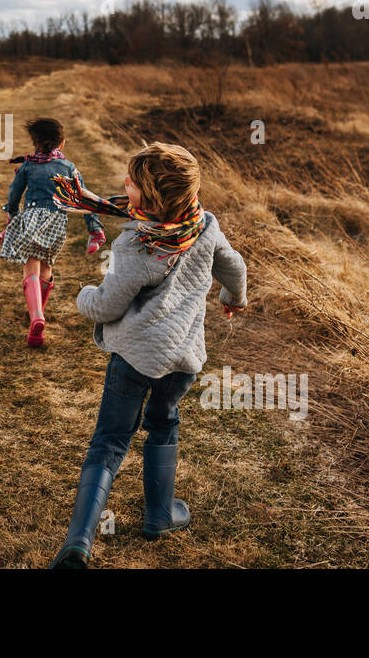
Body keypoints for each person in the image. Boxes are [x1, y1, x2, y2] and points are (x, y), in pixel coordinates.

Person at [50, 142, 247, 568]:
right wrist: (235, 297)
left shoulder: (136, 245)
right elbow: (234, 266)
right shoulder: (205, 226)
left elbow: (106, 306)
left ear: (153, 199)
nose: (125, 186)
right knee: (164, 423)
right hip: (182, 362)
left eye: (133, 184)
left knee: (109, 440)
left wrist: (84, 295)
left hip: (134, 360)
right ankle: (159, 514)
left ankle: (80, 541)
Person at [0, 117, 106, 346]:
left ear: (35, 142)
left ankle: (36, 315)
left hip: (31, 219)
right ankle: (36, 316)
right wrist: (94, 228)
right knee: (46, 266)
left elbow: (14, 194)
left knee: (31, 265)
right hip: (57, 223)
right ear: (62, 143)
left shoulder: (29, 165)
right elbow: (84, 199)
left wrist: (11, 214)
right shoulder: (68, 168)